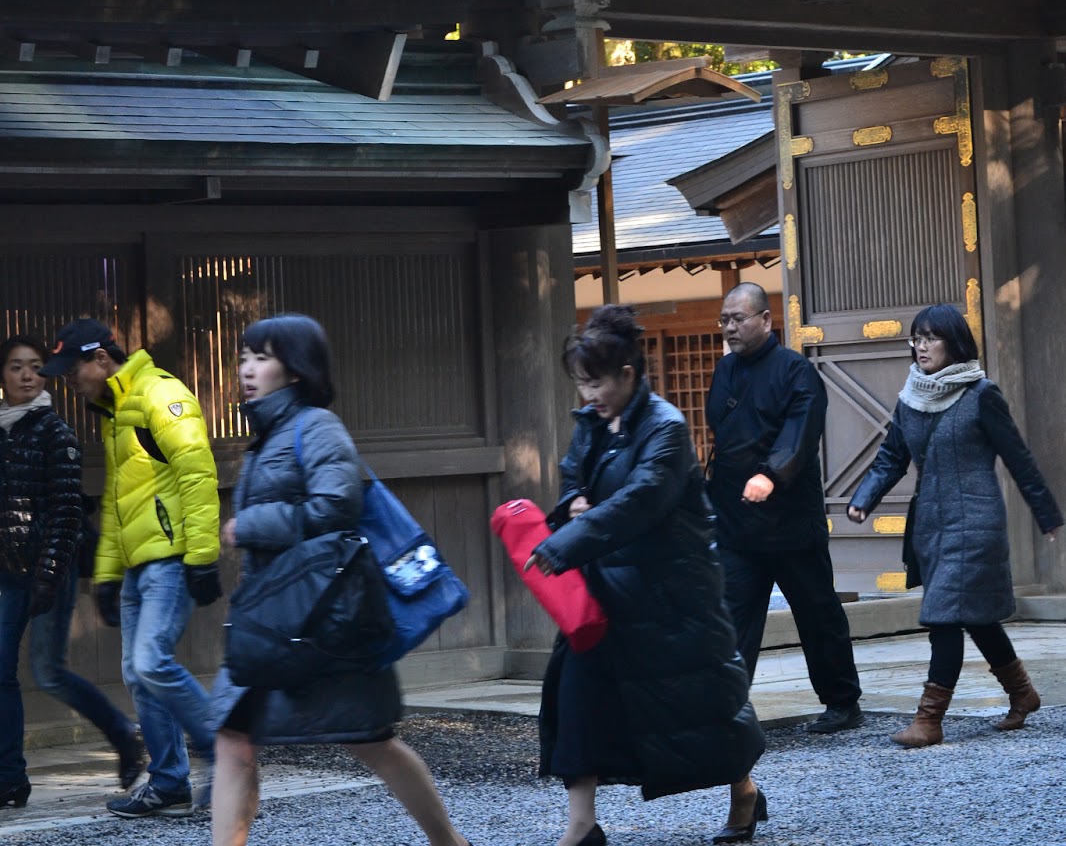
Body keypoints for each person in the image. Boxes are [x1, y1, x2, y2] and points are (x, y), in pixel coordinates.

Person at [209, 314, 471, 846]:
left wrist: (252, 524)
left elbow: (337, 506)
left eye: (262, 357)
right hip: (273, 622)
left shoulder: (316, 427)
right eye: (244, 357)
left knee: (370, 741)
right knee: (234, 739)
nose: (247, 368)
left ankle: (451, 843)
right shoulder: (269, 434)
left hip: (321, 621)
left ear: (298, 369)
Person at [527, 304, 766, 846]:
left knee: (701, 705)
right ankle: (582, 826)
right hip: (602, 589)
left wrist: (563, 544)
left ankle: (744, 790)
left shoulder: (666, 427)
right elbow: (571, 474)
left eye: (596, 383)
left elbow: (642, 500)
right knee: (575, 695)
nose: (588, 395)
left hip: (670, 591)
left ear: (628, 375)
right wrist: (573, 501)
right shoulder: (592, 423)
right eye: (582, 384)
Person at [848, 302, 1062, 747]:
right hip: (931, 523)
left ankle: (929, 719)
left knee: (943, 615)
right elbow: (892, 457)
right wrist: (863, 500)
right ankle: (1023, 693)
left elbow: (1018, 458)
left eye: (931, 337)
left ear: (955, 343)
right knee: (977, 617)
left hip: (976, 521)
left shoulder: (982, 394)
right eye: (916, 338)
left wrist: (1047, 516)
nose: (921, 346)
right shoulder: (911, 397)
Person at [41, 317, 221, 817]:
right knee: (138, 674)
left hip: (170, 558)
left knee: (150, 662)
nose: (69, 381)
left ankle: (226, 753)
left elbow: (197, 472)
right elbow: (123, 503)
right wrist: (106, 573)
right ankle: (169, 782)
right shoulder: (116, 410)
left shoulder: (159, 392)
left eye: (72, 368)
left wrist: (203, 557)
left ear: (101, 358)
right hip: (140, 565)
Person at [704, 282, 863, 735]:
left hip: (790, 518)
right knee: (733, 617)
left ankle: (842, 703)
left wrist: (770, 474)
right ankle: (726, 709)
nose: (730, 327)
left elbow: (800, 432)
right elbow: (722, 438)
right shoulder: (725, 371)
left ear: (766, 320)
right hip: (737, 522)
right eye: (725, 320)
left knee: (817, 612)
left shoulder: (796, 371)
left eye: (738, 318)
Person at [0, 334, 145, 808]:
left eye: (36, 366)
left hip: (49, 569)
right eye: (17, 366)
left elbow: (65, 513)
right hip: (6, 571)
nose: (26, 375)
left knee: (48, 672)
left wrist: (47, 575)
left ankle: (124, 736)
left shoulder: (54, 432)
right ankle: (10, 779)